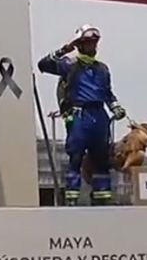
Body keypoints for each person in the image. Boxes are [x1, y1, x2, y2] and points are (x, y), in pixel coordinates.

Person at [36, 25, 126, 206]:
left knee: (101, 159)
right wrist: (64, 49)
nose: (93, 47)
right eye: (89, 43)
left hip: (100, 115)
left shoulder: (102, 69)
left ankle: (102, 197)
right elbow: (43, 65)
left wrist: (116, 107)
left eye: (95, 43)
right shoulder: (69, 65)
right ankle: (72, 199)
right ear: (80, 45)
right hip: (79, 115)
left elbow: (108, 93)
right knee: (75, 157)